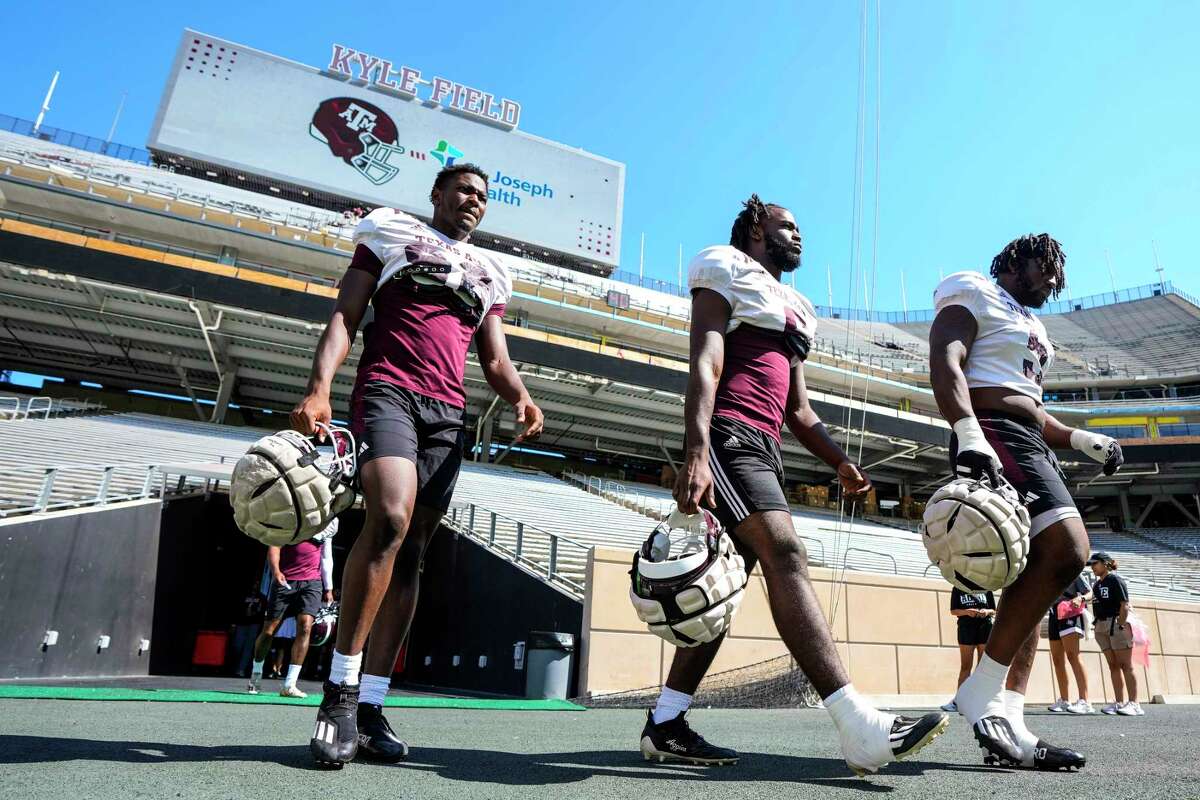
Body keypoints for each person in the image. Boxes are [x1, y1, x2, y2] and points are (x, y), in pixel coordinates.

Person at [644, 194, 948, 776]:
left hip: (767, 446)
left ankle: (665, 722)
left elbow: (799, 409)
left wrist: (840, 462)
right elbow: (706, 360)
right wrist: (696, 450)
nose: (799, 234)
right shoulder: (726, 266)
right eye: (787, 225)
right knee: (786, 551)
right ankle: (857, 724)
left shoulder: (797, 306)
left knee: (721, 590)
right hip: (728, 434)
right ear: (757, 227)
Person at [291, 163, 544, 767]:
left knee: (412, 552)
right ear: (437, 194)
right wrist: (319, 387)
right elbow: (346, 313)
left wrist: (521, 396)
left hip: (447, 414)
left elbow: (494, 358)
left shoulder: (491, 272)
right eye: (463, 190)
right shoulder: (390, 231)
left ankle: (372, 704)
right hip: (388, 390)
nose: (473, 200)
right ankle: (339, 692)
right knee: (389, 518)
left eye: (482, 196)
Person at [928, 233, 1124, 770]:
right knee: (1069, 548)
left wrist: (1079, 438)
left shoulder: (1034, 325)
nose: (1055, 280)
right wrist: (968, 432)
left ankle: (1009, 717)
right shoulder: (975, 290)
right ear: (1018, 260)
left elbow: (1031, 405)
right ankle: (979, 692)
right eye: (1047, 267)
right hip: (992, 431)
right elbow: (945, 359)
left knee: (1034, 582)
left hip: (1031, 439)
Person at [247, 518, 337, 698]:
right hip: (285, 581)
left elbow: (326, 557)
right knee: (269, 631)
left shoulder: (328, 522)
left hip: (312, 582)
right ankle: (256, 674)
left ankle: (290, 684)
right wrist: (276, 571)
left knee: (305, 627)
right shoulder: (289, 517)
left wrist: (328, 587)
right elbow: (274, 547)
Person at [1089, 552, 1142, 716]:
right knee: (1112, 665)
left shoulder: (1115, 580)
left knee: (1126, 665)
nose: (1092, 567)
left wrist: (1121, 624)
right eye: (1091, 564)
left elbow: (1124, 604)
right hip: (1101, 625)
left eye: (1095, 563)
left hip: (1116, 623)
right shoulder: (1096, 585)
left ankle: (1134, 703)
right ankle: (1119, 702)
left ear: (1105, 563)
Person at [941, 588, 995, 712]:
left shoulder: (986, 586)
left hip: (985, 627)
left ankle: (980, 701)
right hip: (966, 628)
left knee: (982, 667)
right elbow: (953, 611)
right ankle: (959, 701)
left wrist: (986, 611)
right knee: (966, 666)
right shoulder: (958, 587)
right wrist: (967, 612)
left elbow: (993, 609)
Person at [1047, 572, 1093, 714]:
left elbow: (1090, 592)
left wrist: (1081, 598)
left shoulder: (1073, 569)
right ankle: (1064, 699)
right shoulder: (1047, 570)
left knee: (1073, 655)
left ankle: (1085, 701)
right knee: (1057, 659)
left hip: (1069, 610)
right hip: (1053, 612)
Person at [228, 581, 265, 678]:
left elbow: (262, 613)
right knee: (237, 645)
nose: (255, 586)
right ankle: (233, 666)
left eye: (257, 584)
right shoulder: (243, 595)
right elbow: (236, 609)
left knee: (248, 648)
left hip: (254, 625)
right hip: (241, 623)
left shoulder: (262, 597)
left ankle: (241, 669)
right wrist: (233, 624)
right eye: (254, 584)